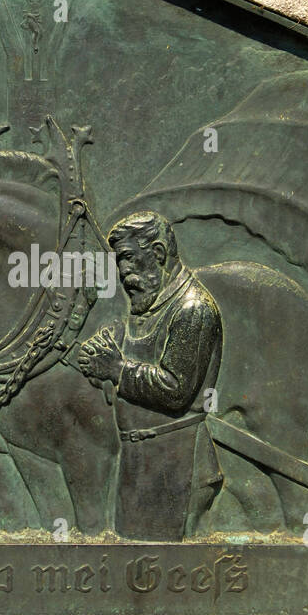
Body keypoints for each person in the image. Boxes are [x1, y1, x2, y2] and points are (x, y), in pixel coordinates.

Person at [78, 211, 222, 540]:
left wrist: (115, 368)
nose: (123, 272)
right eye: (118, 262)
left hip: (175, 467)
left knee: (162, 575)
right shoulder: (152, 305)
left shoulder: (192, 308)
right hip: (141, 464)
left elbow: (175, 389)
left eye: (128, 258)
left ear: (157, 253)